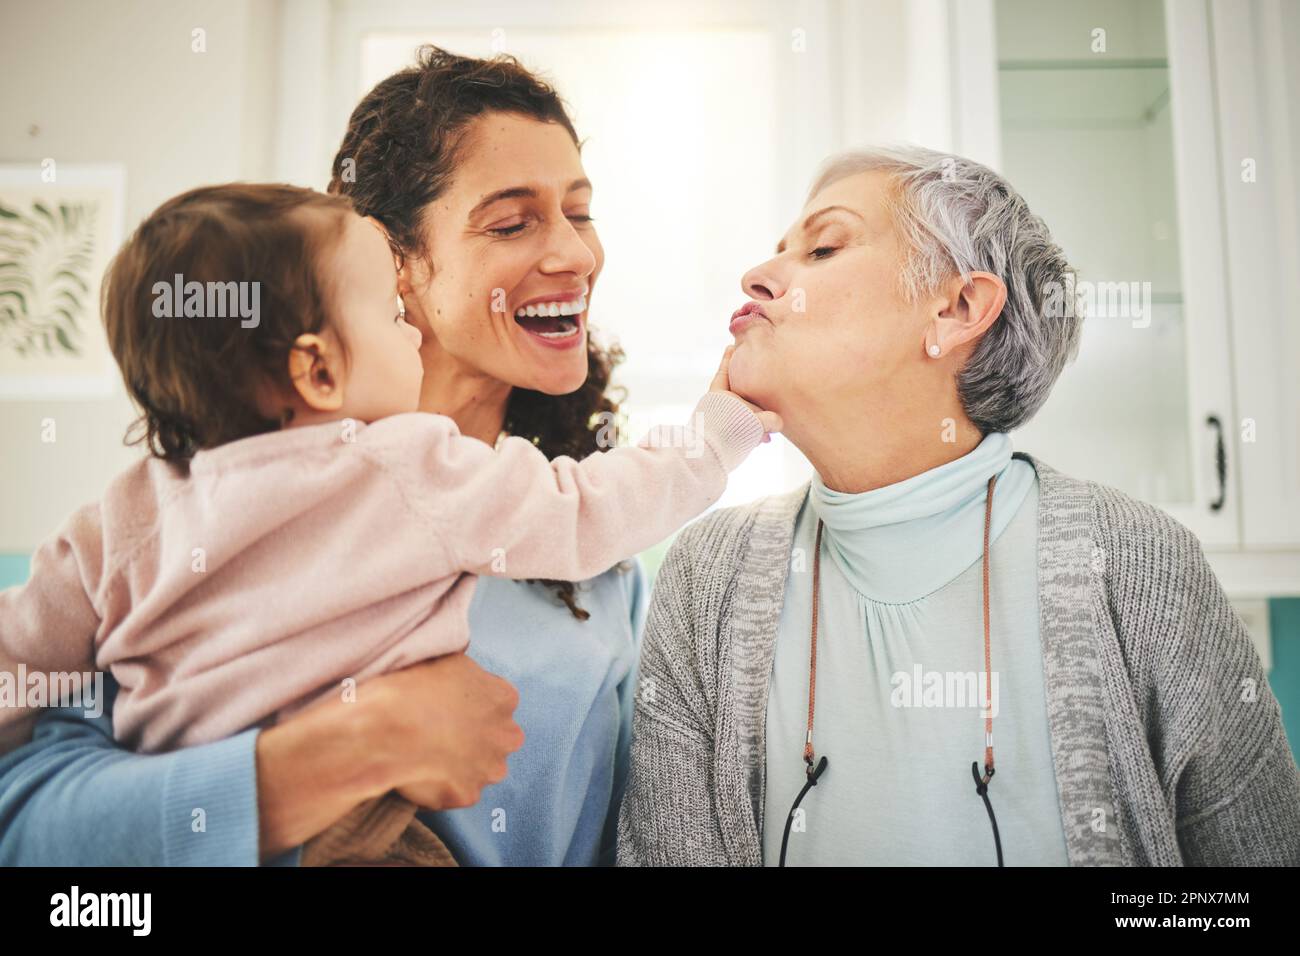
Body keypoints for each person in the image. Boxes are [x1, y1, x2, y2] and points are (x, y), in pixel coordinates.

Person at [617, 145, 1300, 866]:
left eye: (822, 247)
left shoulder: (1137, 563)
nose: (757, 275)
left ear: (959, 308)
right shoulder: (707, 577)